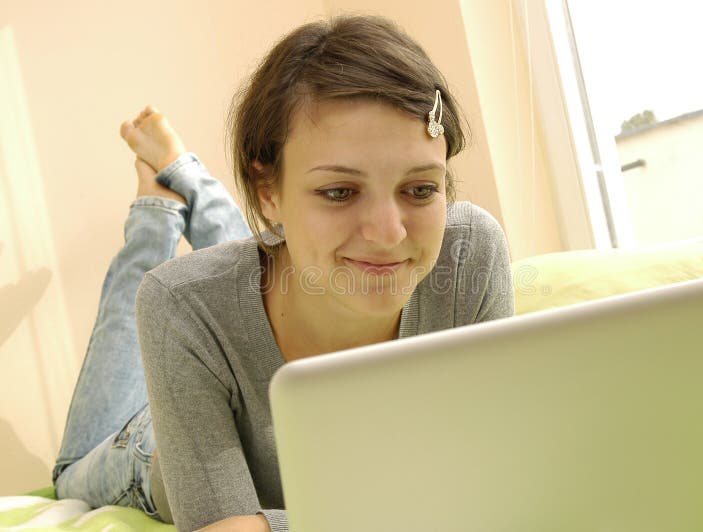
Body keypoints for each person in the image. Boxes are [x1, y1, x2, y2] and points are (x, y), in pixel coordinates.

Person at [52, 15, 514, 532]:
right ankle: (155, 212)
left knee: (284, 256)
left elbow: (497, 474)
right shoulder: (180, 300)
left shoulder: (468, 249)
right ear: (267, 190)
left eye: (421, 189)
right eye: (339, 192)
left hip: (265, 272)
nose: (389, 234)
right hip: (152, 450)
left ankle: (185, 173)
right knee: (68, 475)